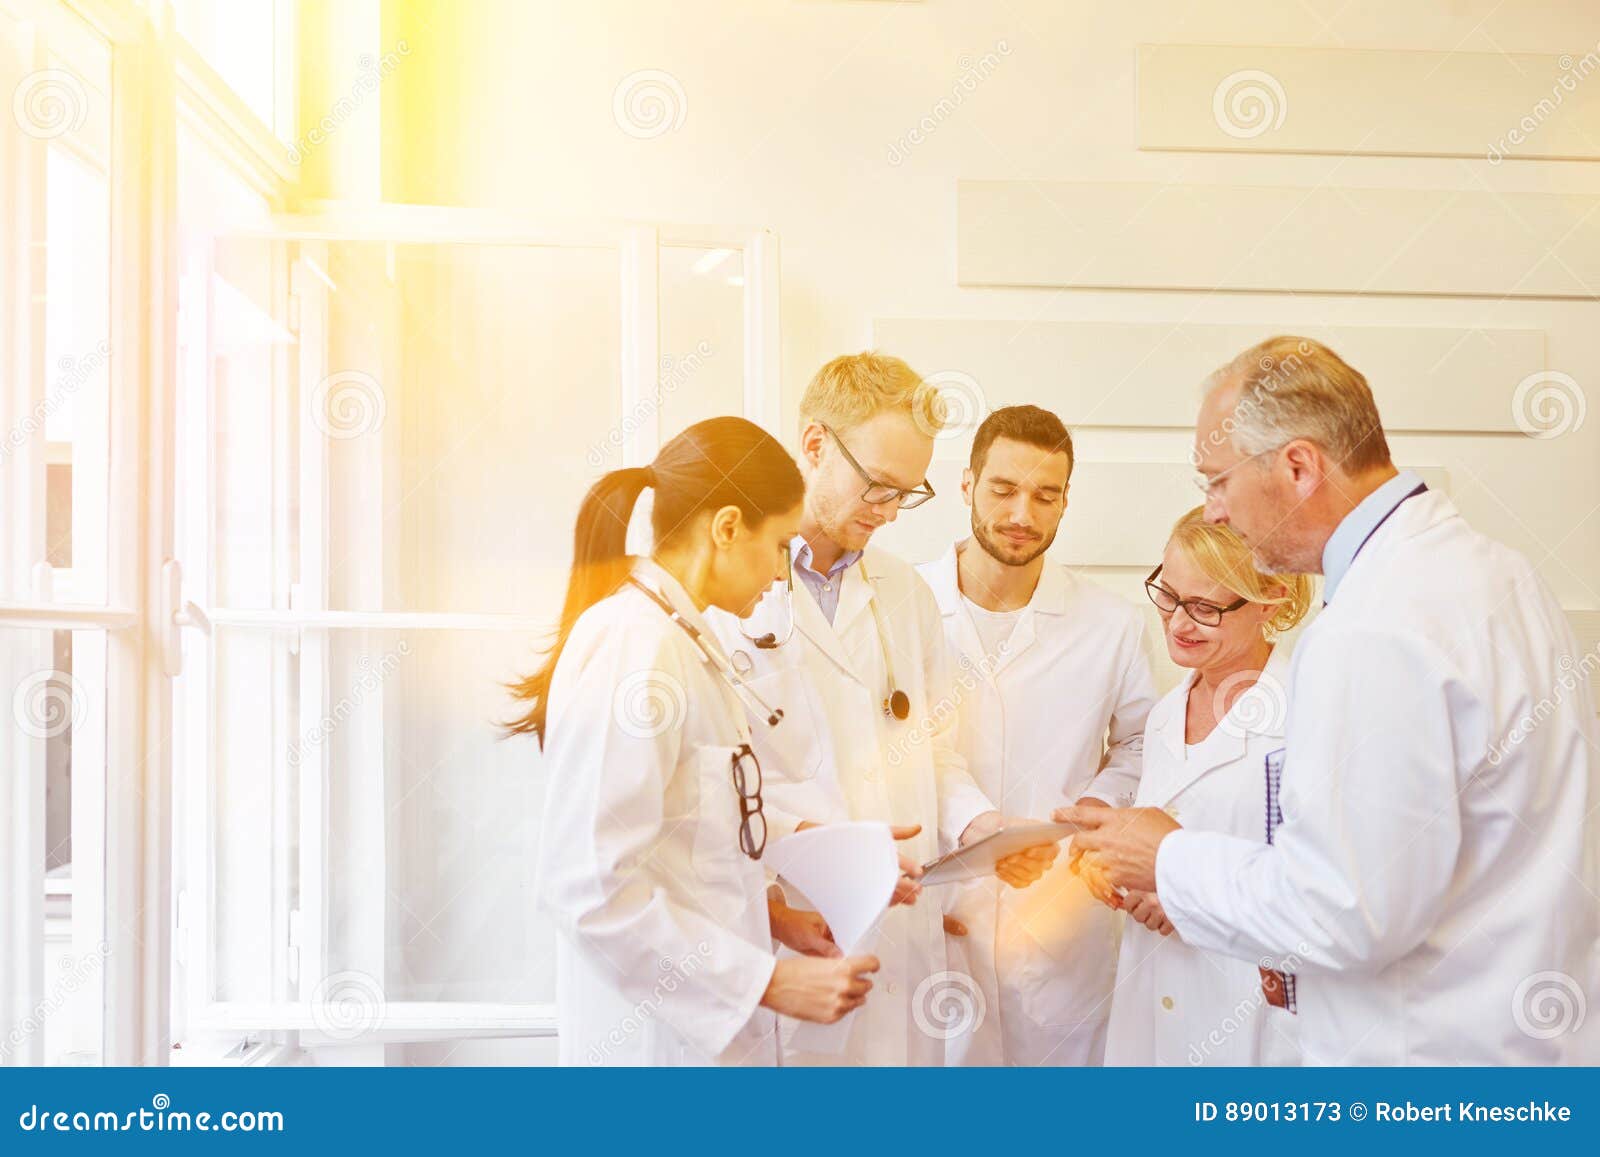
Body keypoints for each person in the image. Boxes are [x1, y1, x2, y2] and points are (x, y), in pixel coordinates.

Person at [1059, 336, 1600, 1064]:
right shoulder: (1496, 572)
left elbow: (1349, 910)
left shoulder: (1374, 624)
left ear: (1298, 466)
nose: (1214, 512)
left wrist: (1166, 857)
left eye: (1217, 481)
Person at [706, 352, 1058, 1066]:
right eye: (877, 485)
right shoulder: (724, 592)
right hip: (791, 931)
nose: (891, 511)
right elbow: (706, 784)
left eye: (907, 492)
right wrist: (828, 846)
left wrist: (981, 825)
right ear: (814, 444)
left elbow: (931, 748)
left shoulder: (905, 593)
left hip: (899, 939)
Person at [508, 417, 882, 1066]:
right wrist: (767, 982)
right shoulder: (636, 646)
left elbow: (691, 831)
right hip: (650, 1047)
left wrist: (774, 915)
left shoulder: (679, 640)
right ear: (727, 527)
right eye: (779, 545)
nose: (780, 573)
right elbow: (587, 886)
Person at [915, 405, 1157, 1066]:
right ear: (967, 485)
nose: (1023, 513)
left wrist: (1090, 812)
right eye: (1003, 490)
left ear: (1066, 501)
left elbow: (1142, 742)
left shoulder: (1111, 623)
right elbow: (897, 746)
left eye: (1046, 495)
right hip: (935, 915)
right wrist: (975, 823)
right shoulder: (904, 605)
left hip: (1060, 926)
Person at [1100, 506, 1312, 1066]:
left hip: (1253, 1021)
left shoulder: (1308, 718)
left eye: (1204, 608)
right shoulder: (1164, 717)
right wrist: (1123, 876)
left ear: (1270, 600)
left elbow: (1330, 895)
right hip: (1154, 1003)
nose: (1177, 623)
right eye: (1168, 596)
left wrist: (1187, 898)